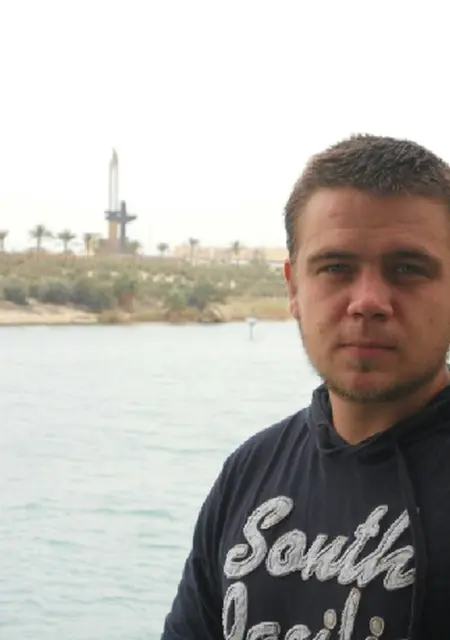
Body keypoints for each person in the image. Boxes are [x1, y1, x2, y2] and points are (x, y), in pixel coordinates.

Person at [160, 134, 450, 640]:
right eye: (336, 268)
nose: (368, 301)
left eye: (407, 269)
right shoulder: (250, 474)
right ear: (293, 287)